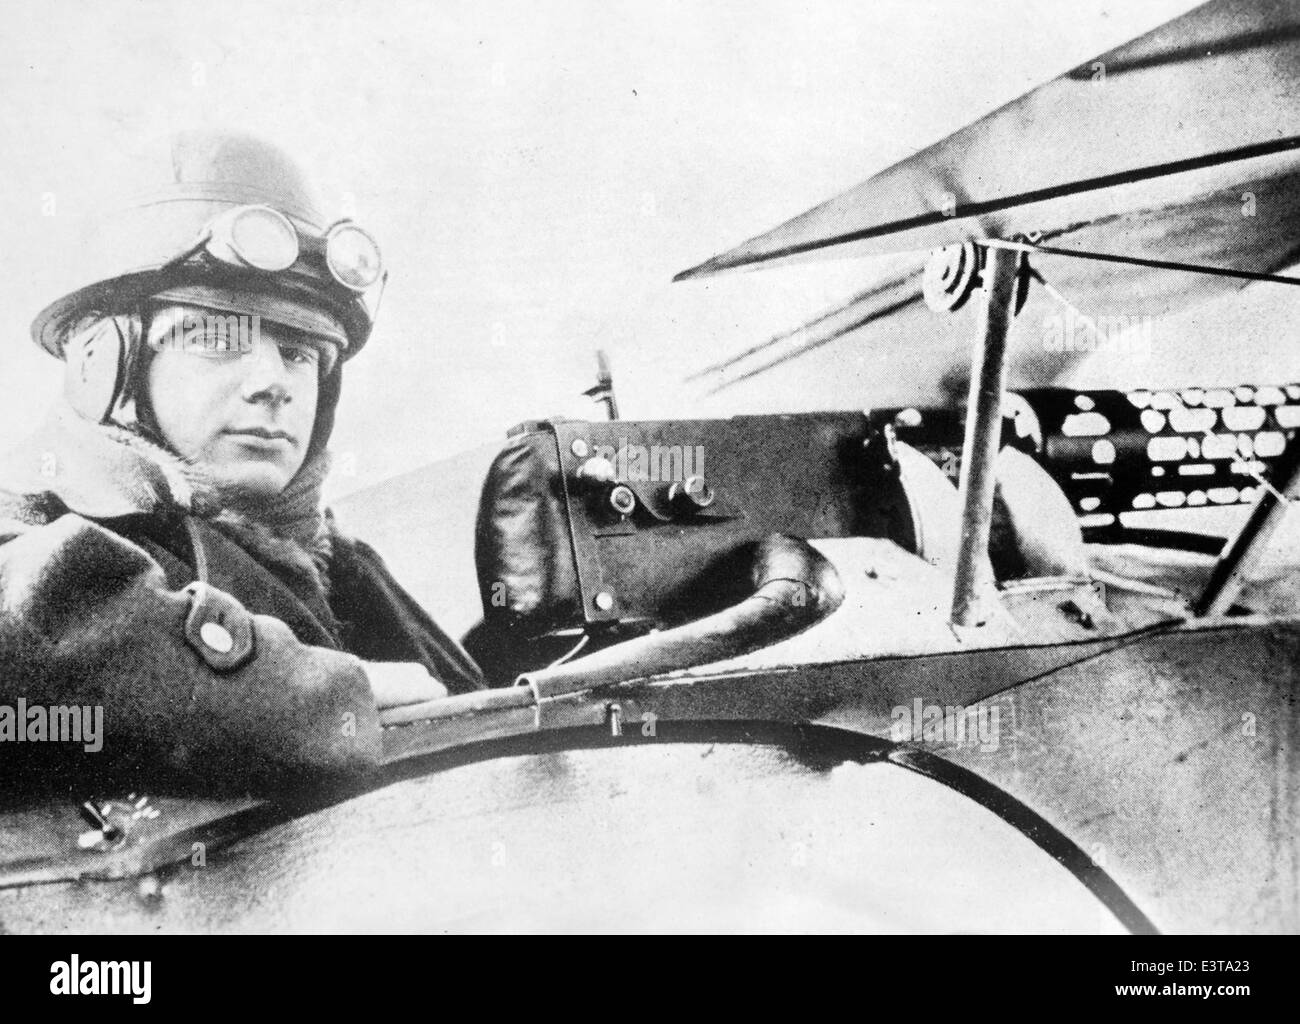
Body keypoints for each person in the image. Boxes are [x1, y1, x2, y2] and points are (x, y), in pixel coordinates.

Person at [0, 130, 484, 789]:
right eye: (219, 337)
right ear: (103, 362)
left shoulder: (337, 567)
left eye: (300, 352)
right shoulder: (29, 518)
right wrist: (296, 694)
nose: (273, 380)